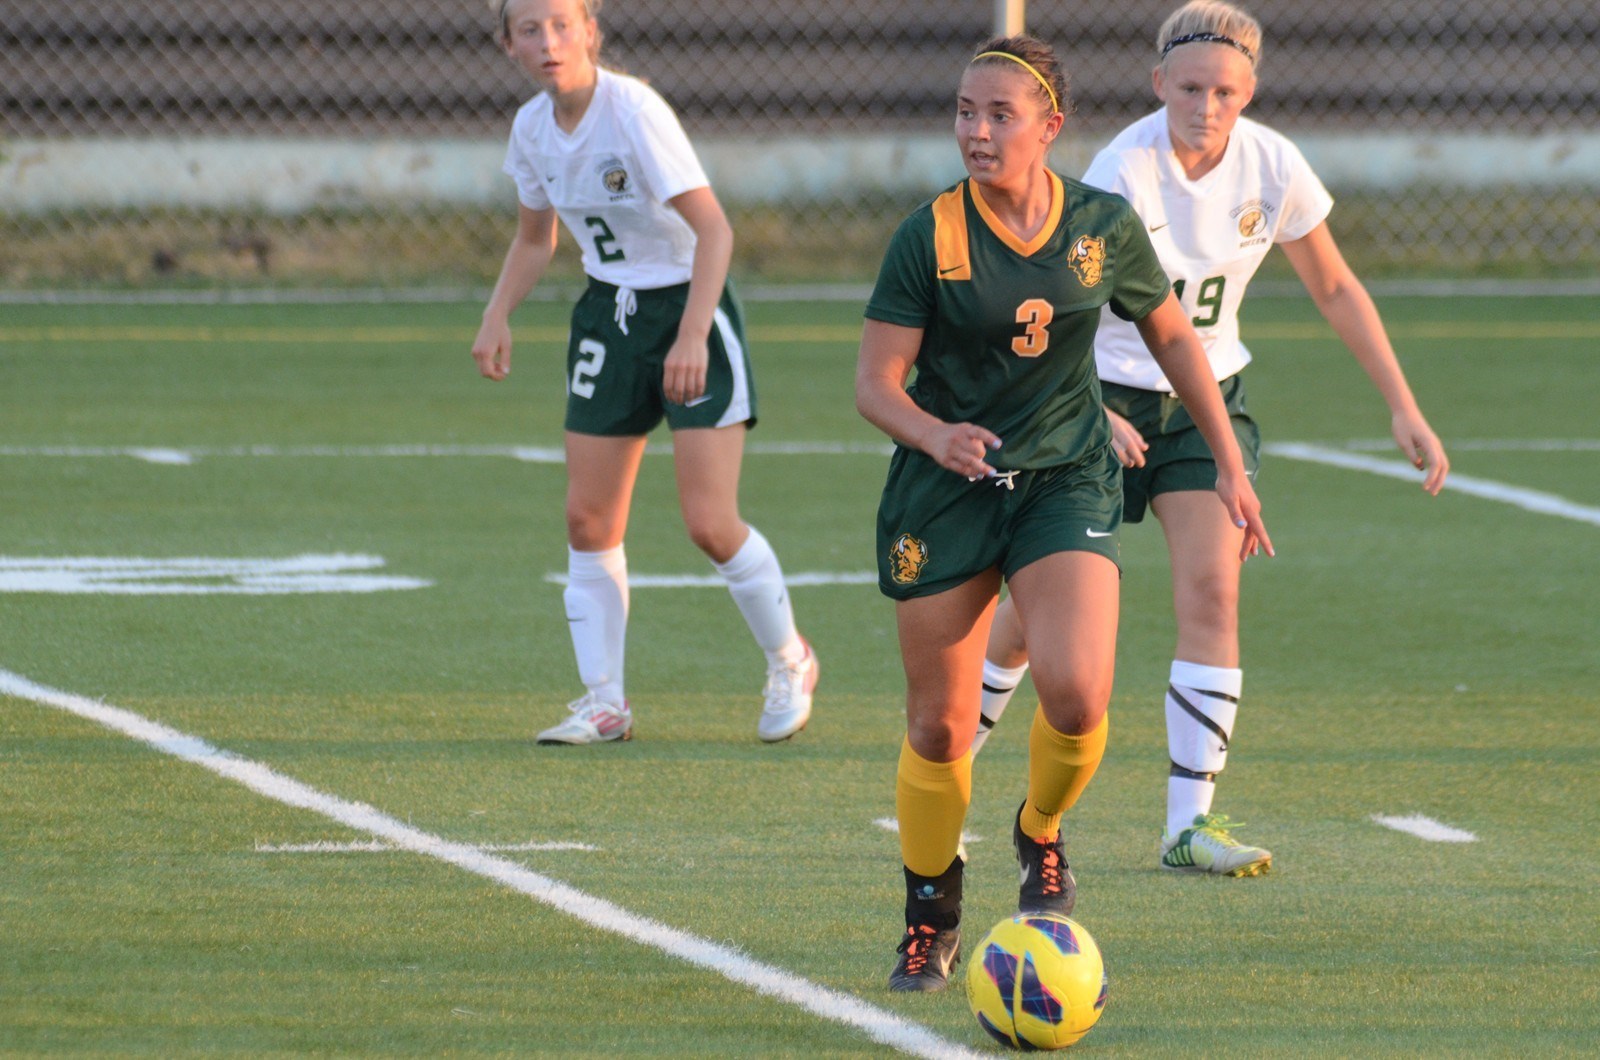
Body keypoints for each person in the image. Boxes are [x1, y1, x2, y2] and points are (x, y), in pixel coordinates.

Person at [972, 0, 1450, 877]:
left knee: (1213, 590)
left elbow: (1335, 287)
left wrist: (1403, 405)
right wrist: (1091, 410)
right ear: (1159, 83)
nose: (1206, 106)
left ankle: (1187, 827)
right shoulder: (1124, 171)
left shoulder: (1274, 163)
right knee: (1037, 615)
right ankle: (954, 753)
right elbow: (1057, 307)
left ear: (1250, 91)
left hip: (1203, 402)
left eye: (1225, 91)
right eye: (1190, 88)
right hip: (1095, 397)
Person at [855, 34, 1271, 992]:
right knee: (939, 730)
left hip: (1065, 478)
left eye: (1000, 114)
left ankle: (1038, 830)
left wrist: (1228, 462)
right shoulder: (930, 236)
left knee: (1078, 697)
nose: (977, 131)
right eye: (965, 112)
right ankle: (930, 914)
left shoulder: (1100, 224)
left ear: (1051, 126)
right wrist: (935, 434)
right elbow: (876, 385)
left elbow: (1174, 335)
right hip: (945, 491)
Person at [471, 0, 817, 745]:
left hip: (690, 308)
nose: (548, 41)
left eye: (562, 24)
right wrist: (497, 313)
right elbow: (535, 239)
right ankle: (605, 703)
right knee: (588, 519)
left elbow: (714, 230)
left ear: (590, 31)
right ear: (507, 46)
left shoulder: (632, 112)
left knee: (709, 523)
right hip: (609, 317)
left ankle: (791, 659)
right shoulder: (531, 128)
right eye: (529, 29)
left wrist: (692, 336)